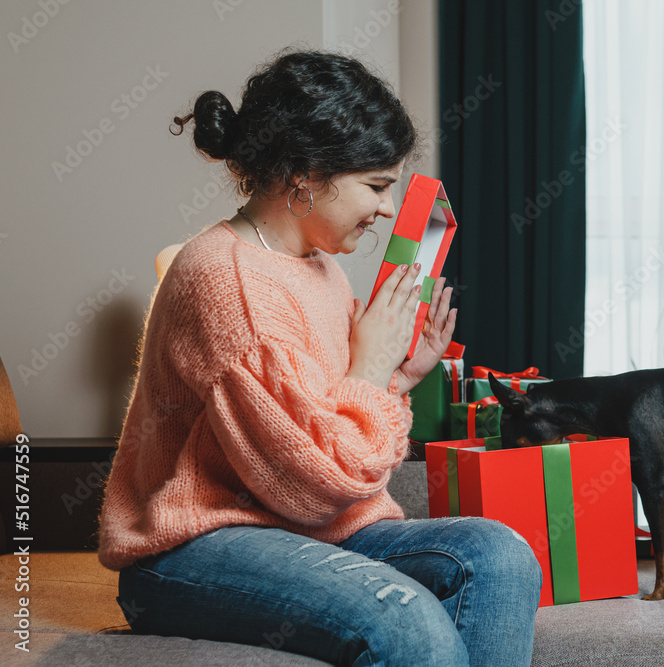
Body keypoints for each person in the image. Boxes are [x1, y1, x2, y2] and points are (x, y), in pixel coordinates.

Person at [96, 48, 542, 666]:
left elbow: (324, 433)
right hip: (197, 548)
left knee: (500, 556)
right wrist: (369, 368)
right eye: (377, 186)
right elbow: (312, 485)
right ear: (304, 173)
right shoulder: (228, 281)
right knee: (405, 618)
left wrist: (395, 376)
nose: (388, 209)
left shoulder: (319, 269)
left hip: (306, 529)